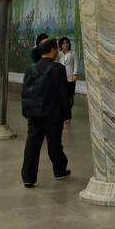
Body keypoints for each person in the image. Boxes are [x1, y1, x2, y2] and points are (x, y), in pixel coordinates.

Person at [20, 38, 70, 188]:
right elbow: (63, 94)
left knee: (32, 145)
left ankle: (28, 177)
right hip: (52, 115)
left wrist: (25, 110)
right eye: (57, 49)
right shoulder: (58, 69)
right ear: (53, 50)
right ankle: (59, 170)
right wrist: (67, 114)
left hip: (34, 113)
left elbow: (24, 92)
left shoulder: (31, 68)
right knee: (54, 144)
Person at [58, 36, 77, 130]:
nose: (66, 44)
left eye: (67, 43)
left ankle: (66, 113)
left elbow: (76, 63)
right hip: (62, 78)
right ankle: (67, 117)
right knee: (64, 98)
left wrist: (75, 74)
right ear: (61, 45)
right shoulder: (59, 54)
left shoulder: (73, 53)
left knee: (70, 99)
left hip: (71, 78)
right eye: (63, 43)